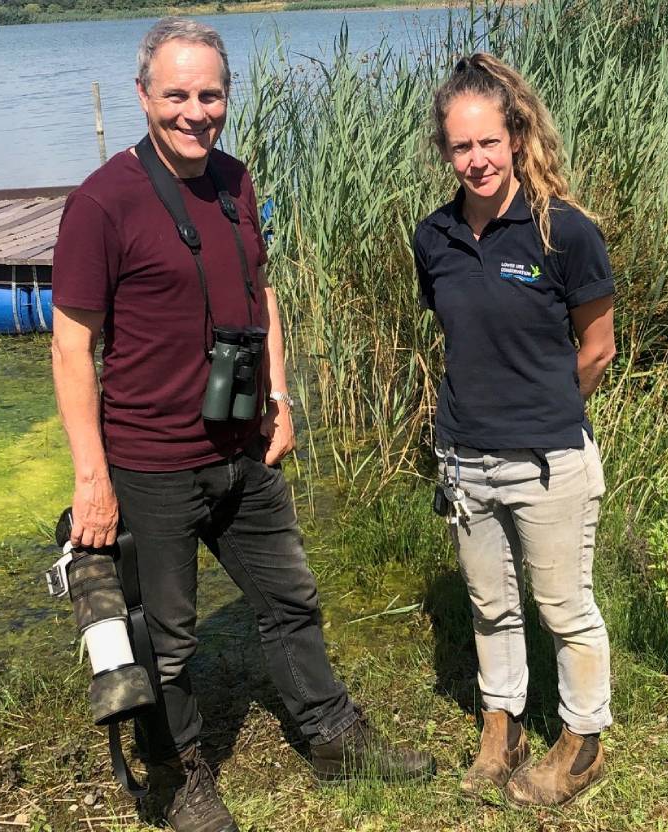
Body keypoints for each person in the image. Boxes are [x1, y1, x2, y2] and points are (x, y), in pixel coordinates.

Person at [51, 18, 433, 832]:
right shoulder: (101, 203)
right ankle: (179, 776)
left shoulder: (236, 180)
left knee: (291, 600)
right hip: (152, 462)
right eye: (178, 94)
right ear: (143, 95)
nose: (197, 112)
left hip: (244, 445)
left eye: (211, 94)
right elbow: (72, 347)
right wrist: (93, 481)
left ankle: (331, 736)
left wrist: (282, 400)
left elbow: (263, 297)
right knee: (167, 638)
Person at [412, 53, 618, 806]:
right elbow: (462, 334)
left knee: (565, 607)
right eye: (461, 147)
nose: (476, 160)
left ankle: (583, 743)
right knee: (491, 605)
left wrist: (543, 409)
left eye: (488, 143)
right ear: (446, 152)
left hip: (547, 459)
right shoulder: (432, 238)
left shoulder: (564, 232)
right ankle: (502, 726)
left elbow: (598, 348)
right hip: (465, 457)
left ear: (517, 138)